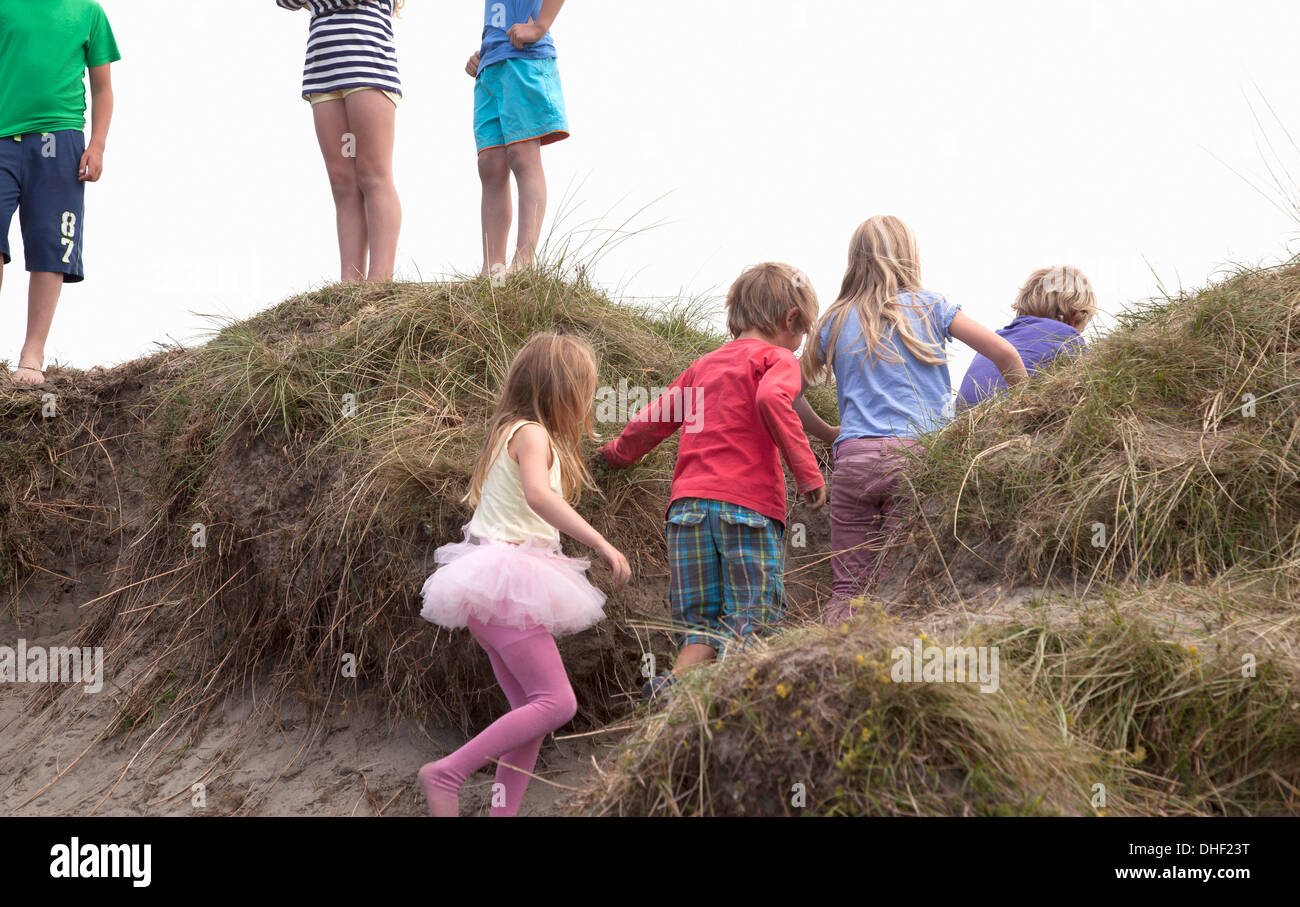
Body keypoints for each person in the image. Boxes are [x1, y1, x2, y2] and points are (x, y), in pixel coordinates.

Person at [417, 333, 631, 817]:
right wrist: (601, 542)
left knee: (530, 716)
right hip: (507, 585)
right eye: (585, 389)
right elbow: (538, 495)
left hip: (489, 591)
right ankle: (447, 772)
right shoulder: (532, 433)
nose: (588, 401)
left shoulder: (510, 431)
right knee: (557, 704)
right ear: (563, 389)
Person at [600, 263, 828, 698]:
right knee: (753, 622)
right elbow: (771, 398)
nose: (799, 346)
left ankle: (668, 693)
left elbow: (656, 418)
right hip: (749, 510)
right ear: (791, 320)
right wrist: (807, 471)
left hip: (687, 514)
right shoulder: (777, 359)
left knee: (700, 629)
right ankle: (736, 712)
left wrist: (615, 454)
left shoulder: (703, 365)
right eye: (802, 334)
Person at [802, 216, 1029, 623]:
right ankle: (889, 670)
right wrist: (1026, 412)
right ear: (909, 256)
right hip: (918, 460)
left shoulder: (833, 319)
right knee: (898, 585)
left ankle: (833, 659)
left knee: (849, 589)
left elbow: (788, 393)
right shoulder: (933, 307)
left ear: (855, 261)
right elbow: (1006, 355)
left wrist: (827, 432)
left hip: (854, 459)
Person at [0, 0, 120, 386]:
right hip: (2, 137)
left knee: (52, 245)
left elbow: (103, 89)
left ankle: (31, 358)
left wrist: (97, 145)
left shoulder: (89, 12)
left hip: (61, 139)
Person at [278, 0, 404, 282]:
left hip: (366, 66)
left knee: (373, 175)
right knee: (342, 182)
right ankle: (350, 283)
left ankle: (379, 281)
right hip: (322, 73)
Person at [465, 0, 569, 277]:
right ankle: (493, 269)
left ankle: (525, 262)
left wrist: (539, 27)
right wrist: (484, 51)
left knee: (522, 155)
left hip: (525, 60)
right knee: (490, 164)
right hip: (491, 66)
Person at [958, 265, 1096, 406]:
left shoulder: (997, 339)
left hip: (964, 422)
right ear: (1075, 317)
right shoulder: (1066, 335)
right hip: (1009, 417)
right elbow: (1088, 385)